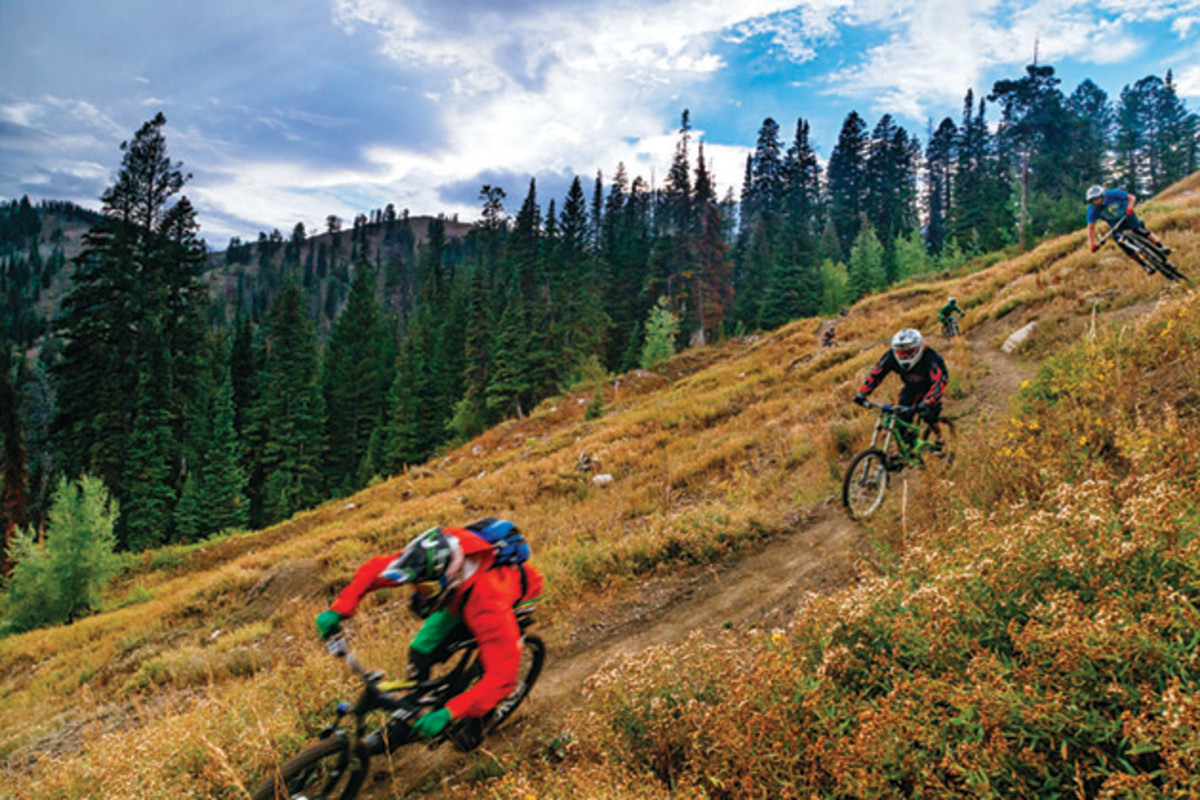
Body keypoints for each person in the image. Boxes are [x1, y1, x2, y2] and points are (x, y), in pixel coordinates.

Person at [314, 522, 543, 747]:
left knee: (489, 667)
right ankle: (408, 714)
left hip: (508, 600)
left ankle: (481, 722)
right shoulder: (433, 552)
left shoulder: (488, 604)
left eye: (425, 590)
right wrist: (339, 609)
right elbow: (378, 569)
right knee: (421, 648)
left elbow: (502, 679)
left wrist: (451, 712)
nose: (417, 594)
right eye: (416, 587)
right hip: (461, 596)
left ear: (446, 580)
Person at [854, 328, 948, 452]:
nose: (904, 356)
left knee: (929, 415)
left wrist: (927, 402)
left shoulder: (931, 357)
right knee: (901, 417)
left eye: (909, 352)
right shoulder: (891, 356)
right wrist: (863, 393)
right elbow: (877, 373)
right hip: (911, 389)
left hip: (930, 389)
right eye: (900, 352)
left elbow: (940, 381)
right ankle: (904, 449)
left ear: (919, 348)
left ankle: (939, 437)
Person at [1086, 185, 1170, 272]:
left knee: (1139, 230)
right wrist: (1092, 244)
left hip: (1128, 215)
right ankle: (1144, 265)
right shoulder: (1092, 210)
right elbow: (1091, 227)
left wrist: (1130, 208)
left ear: (1102, 195)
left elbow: (1131, 198)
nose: (1096, 202)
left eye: (1097, 199)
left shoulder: (1114, 193)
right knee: (1122, 243)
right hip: (1116, 226)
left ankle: (1161, 246)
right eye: (1093, 200)